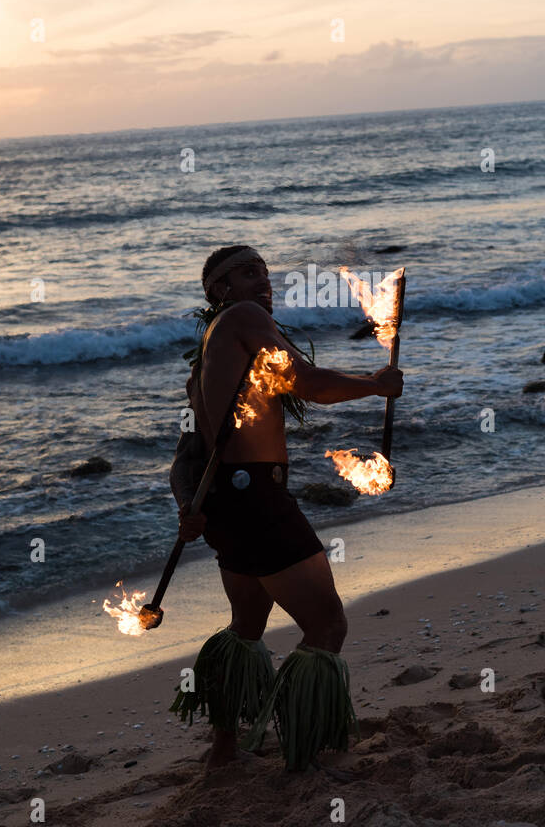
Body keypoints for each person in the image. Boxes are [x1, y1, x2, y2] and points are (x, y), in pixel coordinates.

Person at [169, 245, 403, 772]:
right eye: (247, 273)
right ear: (218, 291)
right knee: (327, 626)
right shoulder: (244, 319)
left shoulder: (208, 357)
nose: (263, 282)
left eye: (266, 272)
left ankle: (224, 752)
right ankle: (308, 749)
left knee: (246, 631)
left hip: (229, 503)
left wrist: (189, 504)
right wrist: (375, 385)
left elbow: (187, 455)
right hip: (259, 501)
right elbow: (307, 382)